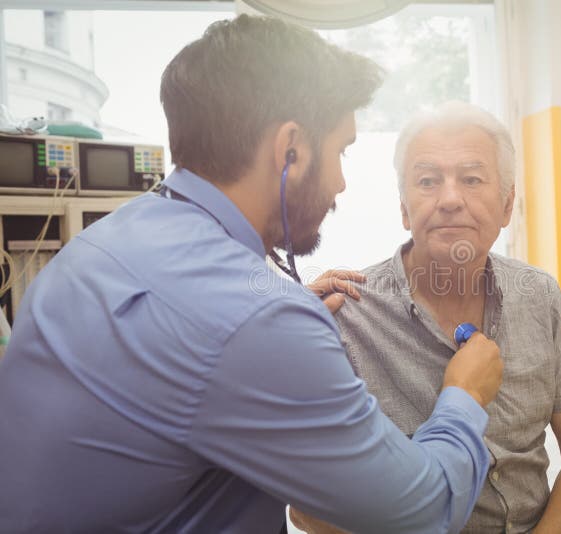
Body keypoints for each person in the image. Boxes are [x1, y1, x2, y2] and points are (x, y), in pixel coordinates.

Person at [0, 17, 505, 533]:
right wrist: (465, 395)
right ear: (290, 149)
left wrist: (277, 314)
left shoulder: (97, 247)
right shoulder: (257, 322)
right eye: (341, 152)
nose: (341, 183)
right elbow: (423, 512)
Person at [291, 102, 561, 534]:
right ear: (404, 208)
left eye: (472, 179)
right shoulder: (345, 313)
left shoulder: (540, 295)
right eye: (427, 181)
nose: (451, 199)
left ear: (507, 204)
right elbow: (309, 509)